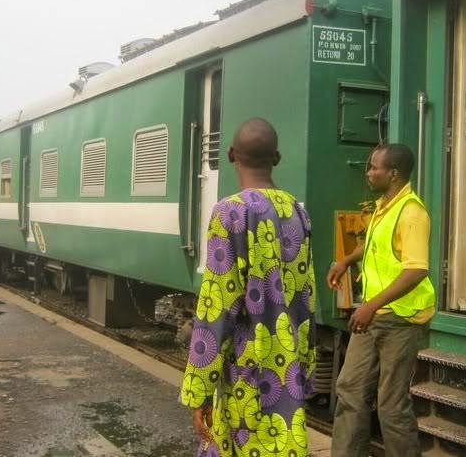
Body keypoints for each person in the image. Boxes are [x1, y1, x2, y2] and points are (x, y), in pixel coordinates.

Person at [180, 117, 317, 457]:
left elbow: (216, 307)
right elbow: (306, 296)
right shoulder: (297, 211)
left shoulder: (230, 212)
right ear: (278, 157)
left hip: (246, 372)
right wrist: (305, 368)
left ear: (230, 155)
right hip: (287, 366)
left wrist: (198, 389)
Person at [327, 143, 435, 457]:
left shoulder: (412, 212)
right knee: (350, 390)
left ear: (394, 173)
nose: (369, 172)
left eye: (375, 167)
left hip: (399, 319)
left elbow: (416, 270)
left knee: (391, 405)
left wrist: (371, 306)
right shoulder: (384, 206)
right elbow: (373, 246)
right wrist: (346, 259)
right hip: (374, 315)